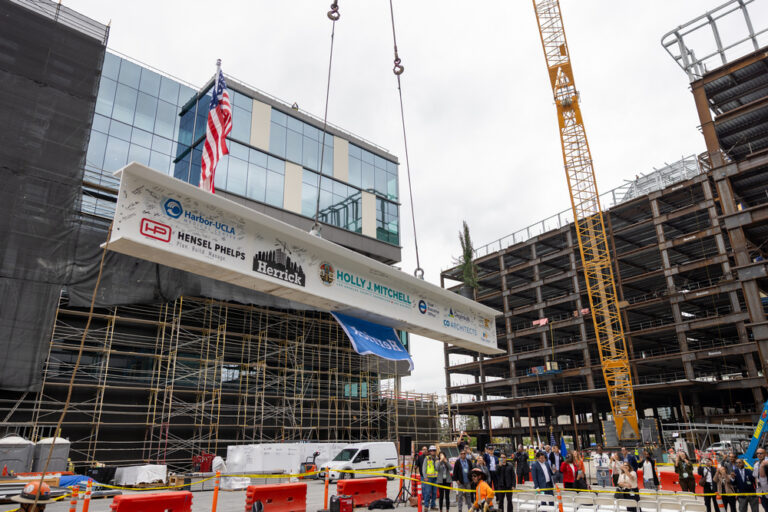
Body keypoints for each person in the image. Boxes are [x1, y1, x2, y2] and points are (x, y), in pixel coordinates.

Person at [423, 445, 439, 511]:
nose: (432, 452)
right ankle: (426, 506)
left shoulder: (437, 458)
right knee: (427, 492)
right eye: (431, 450)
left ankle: (433, 505)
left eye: (434, 450)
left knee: (434, 493)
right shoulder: (427, 458)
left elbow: (438, 468)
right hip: (428, 478)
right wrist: (425, 477)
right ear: (429, 451)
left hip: (435, 478)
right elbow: (424, 468)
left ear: (435, 451)